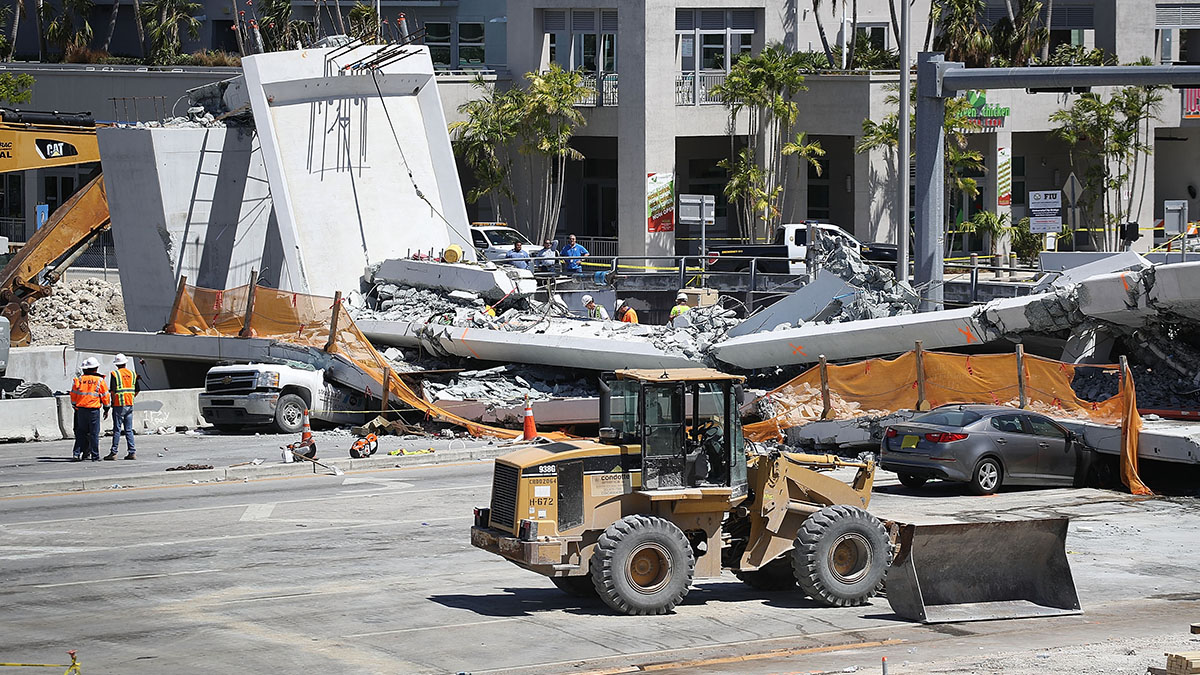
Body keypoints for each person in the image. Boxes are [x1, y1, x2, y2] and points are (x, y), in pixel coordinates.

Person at [70, 357, 110, 462]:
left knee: (81, 433)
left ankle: (76, 453)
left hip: (81, 409)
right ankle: (95, 456)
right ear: (96, 368)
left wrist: (75, 406)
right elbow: (105, 396)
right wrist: (106, 409)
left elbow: (73, 394)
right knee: (94, 434)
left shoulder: (79, 379)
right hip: (93, 410)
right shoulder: (99, 380)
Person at [105, 353, 140, 460]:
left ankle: (114, 452)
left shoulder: (115, 374)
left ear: (116, 364)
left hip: (119, 404)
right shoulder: (132, 374)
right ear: (125, 363)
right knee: (129, 430)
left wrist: (112, 402)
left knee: (117, 430)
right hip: (129, 403)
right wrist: (131, 397)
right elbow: (137, 389)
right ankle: (132, 452)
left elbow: (113, 391)